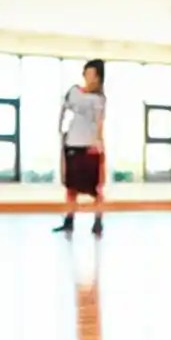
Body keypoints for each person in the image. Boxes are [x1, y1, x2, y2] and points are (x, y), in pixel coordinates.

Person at [53, 59, 107, 236]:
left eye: (93, 74)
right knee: (71, 188)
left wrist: (99, 143)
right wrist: (61, 130)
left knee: (95, 189)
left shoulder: (99, 99)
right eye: (87, 73)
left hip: (89, 146)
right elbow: (64, 110)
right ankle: (69, 221)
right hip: (72, 144)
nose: (89, 77)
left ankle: (98, 221)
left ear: (99, 77)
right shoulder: (74, 91)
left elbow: (99, 122)